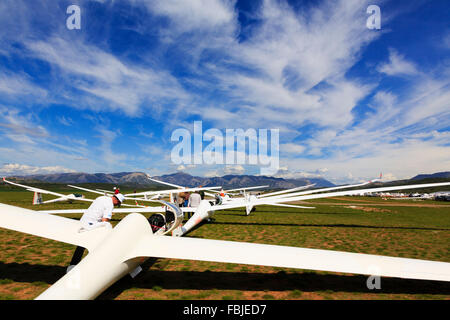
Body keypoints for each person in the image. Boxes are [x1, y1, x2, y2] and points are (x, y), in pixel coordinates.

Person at [67, 193, 125, 273]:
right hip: (91, 225)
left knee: (81, 245)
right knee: (98, 244)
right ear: (116, 200)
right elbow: (105, 221)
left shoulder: (101, 198)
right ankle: (95, 267)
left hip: (83, 221)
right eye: (118, 203)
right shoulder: (110, 205)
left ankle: (73, 264)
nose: (117, 205)